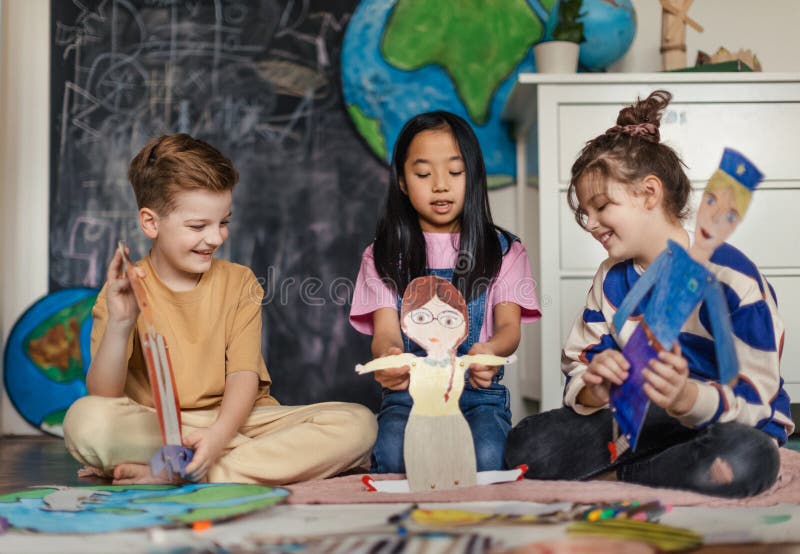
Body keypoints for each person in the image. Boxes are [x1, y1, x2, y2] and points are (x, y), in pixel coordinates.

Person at [504, 90, 793, 498]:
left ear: (649, 194)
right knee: (528, 446)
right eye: (585, 212)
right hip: (641, 419)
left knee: (747, 458)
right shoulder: (610, 279)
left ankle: (621, 479)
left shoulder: (730, 276)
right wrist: (596, 386)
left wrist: (687, 396)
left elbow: (757, 396)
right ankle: (657, 471)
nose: (591, 223)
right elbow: (579, 364)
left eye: (602, 206)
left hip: (723, 420)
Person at [63, 133, 377, 485]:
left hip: (238, 421)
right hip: (158, 425)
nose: (215, 238)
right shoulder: (122, 291)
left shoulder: (239, 282)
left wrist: (219, 436)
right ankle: (227, 464)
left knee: (358, 424)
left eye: (223, 222)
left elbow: (243, 375)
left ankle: (193, 470)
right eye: (198, 226)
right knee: (84, 420)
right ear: (151, 223)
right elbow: (103, 394)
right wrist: (122, 323)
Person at [349, 111, 541, 474]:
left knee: (486, 456)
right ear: (403, 182)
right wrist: (390, 357)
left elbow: (509, 330)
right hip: (409, 396)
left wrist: (491, 351)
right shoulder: (382, 254)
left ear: (473, 175)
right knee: (392, 457)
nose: (440, 185)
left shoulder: (503, 250)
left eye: (455, 172)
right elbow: (385, 332)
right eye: (423, 174)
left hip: (478, 397)